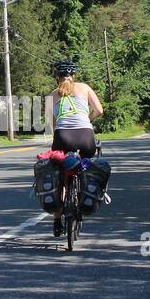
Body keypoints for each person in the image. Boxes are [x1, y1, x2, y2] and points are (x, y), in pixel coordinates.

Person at [43, 60, 104, 234]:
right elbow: (99, 110)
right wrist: (87, 121)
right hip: (86, 137)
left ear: (57, 77)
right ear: (73, 76)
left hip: (62, 137)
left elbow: (53, 124)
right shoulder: (84, 88)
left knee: (59, 177)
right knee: (85, 167)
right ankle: (83, 194)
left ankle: (56, 220)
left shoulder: (52, 96)